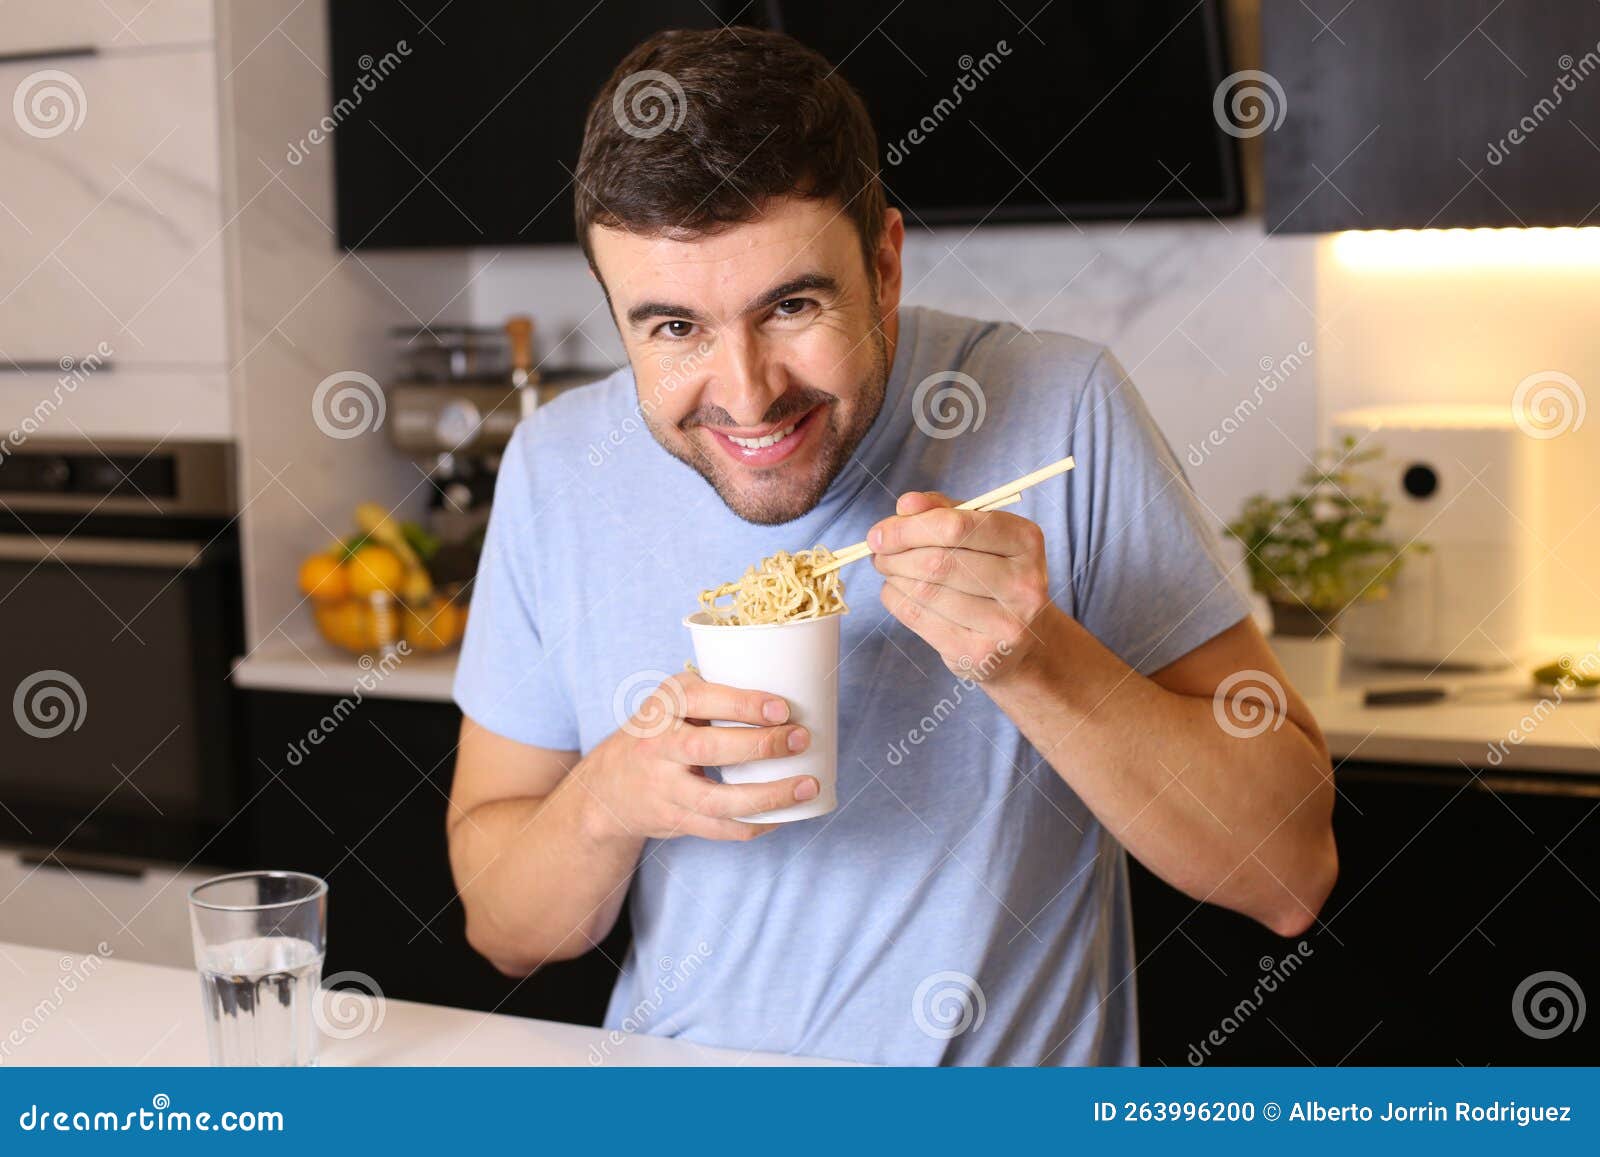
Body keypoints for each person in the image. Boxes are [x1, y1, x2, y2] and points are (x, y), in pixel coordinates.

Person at [448, 27, 1335, 1066]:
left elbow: (1286, 871)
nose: (746, 392)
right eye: (673, 328)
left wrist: (1035, 656)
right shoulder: (558, 466)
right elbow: (502, 929)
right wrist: (611, 795)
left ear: (884, 265)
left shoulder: (1060, 408)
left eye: (791, 305)